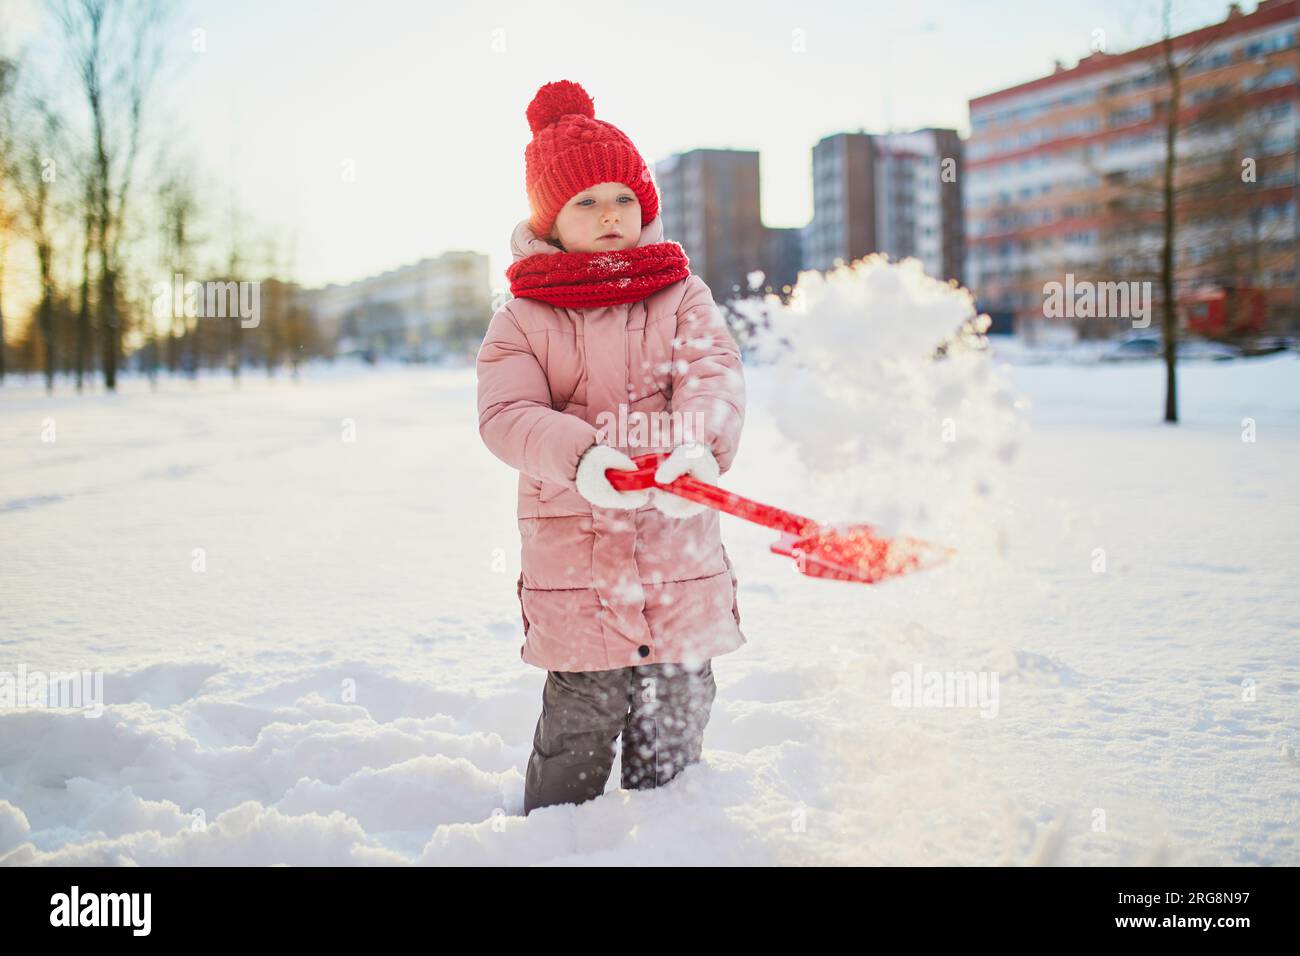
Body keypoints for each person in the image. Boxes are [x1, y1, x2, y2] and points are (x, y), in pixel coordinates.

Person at [476, 80, 747, 815]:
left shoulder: (682, 295)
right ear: (549, 220)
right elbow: (506, 413)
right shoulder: (523, 317)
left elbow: (714, 376)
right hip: (578, 566)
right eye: (586, 202)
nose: (609, 215)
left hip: (675, 557)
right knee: (580, 719)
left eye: (624, 198)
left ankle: (670, 838)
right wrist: (582, 457)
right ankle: (554, 844)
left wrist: (696, 447)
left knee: (676, 714)